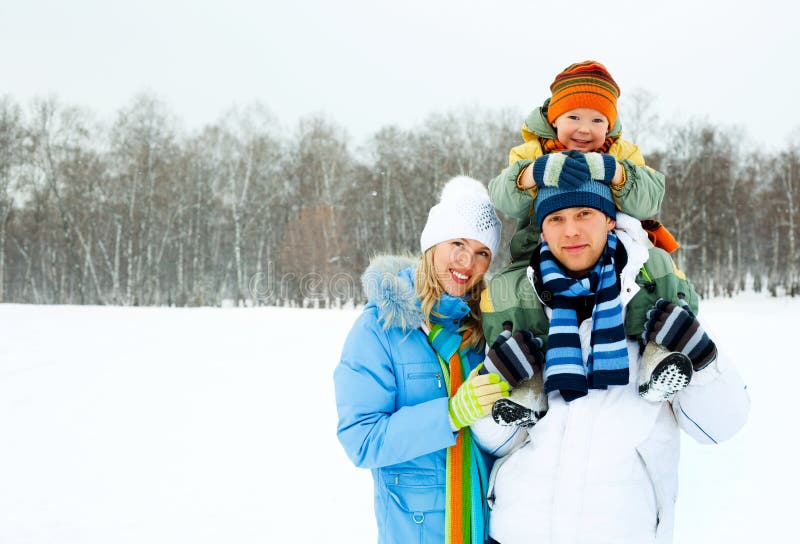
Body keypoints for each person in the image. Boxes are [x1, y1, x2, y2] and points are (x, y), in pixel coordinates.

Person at [472, 176, 750, 544]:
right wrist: (495, 386)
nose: (570, 230)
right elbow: (501, 444)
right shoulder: (522, 310)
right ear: (541, 231)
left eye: (584, 213)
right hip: (519, 533)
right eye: (555, 219)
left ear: (609, 220)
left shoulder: (649, 300)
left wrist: (702, 360)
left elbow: (718, 427)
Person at [483, 60, 686, 409]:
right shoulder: (532, 152)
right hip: (540, 248)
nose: (584, 129)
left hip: (611, 244)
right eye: (573, 118)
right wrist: (534, 173)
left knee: (656, 274)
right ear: (554, 120)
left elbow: (649, 197)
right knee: (507, 293)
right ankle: (525, 374)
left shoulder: (620, 150)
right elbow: (503, 196)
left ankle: (658, 351)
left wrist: (613, 171)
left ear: (609, 124)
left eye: (597, 120)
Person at [334, 176, 509, 544]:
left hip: (488, 526)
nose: (467, 262)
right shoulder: (379, 328)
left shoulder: (485, 328)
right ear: (432, 244)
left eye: (482, 253)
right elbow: (361, 439)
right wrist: (450, 415)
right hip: (416, 531)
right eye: (457, 243)